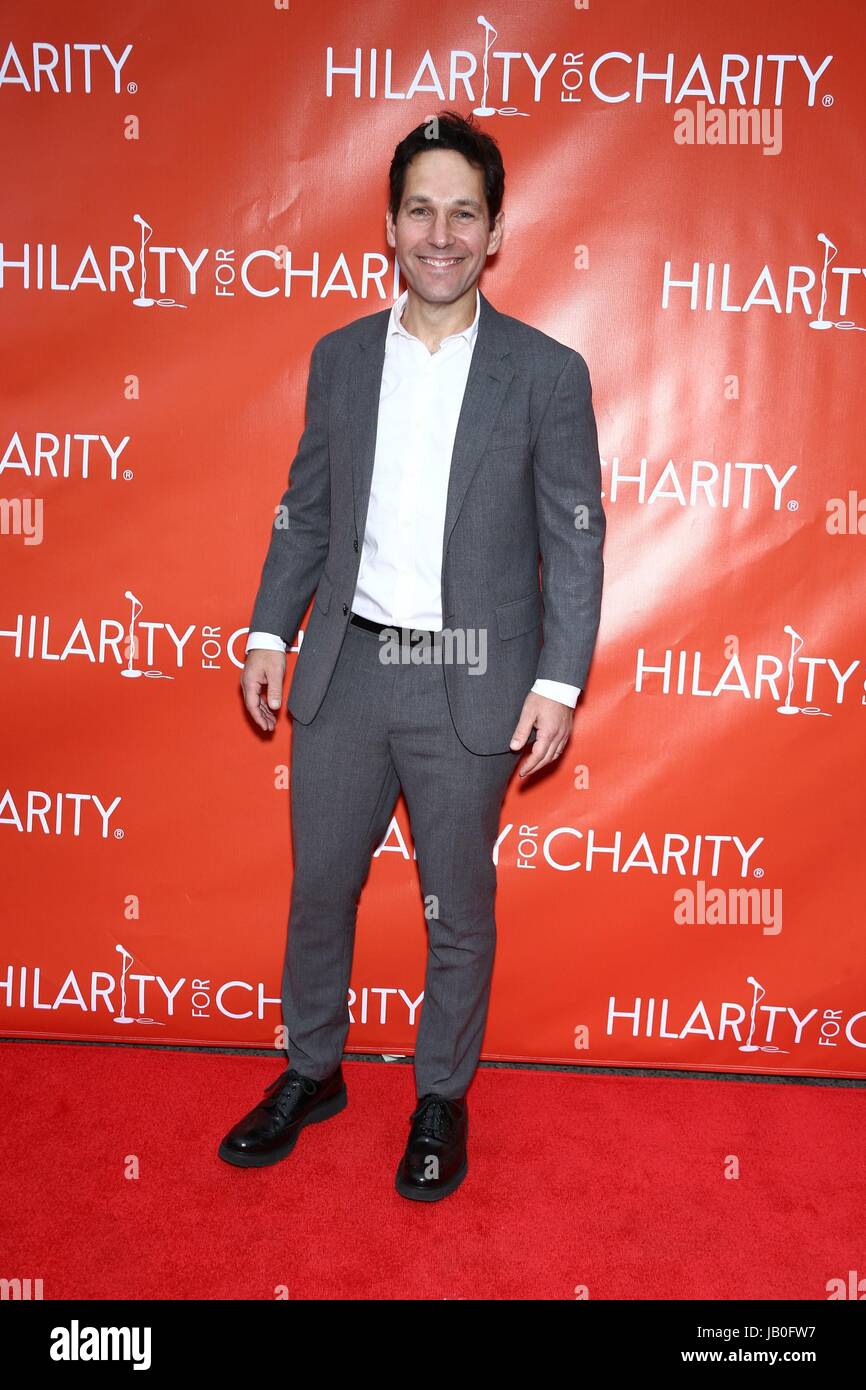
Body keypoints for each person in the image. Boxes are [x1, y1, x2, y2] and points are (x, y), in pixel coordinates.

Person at [218, 110, 605, 1202]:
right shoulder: (339, 359)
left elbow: (574, 533)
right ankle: (311, 1070)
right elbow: (304, 512)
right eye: (421, 209)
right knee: (319, 891)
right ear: (389, 224)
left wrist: (557, 680)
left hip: (471, 674)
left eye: (464, 213)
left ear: (494, 234)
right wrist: (265, 630)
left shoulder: (545, 372)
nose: (441, 232)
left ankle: (439, 1096)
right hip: (345, 669)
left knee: (456, 910)